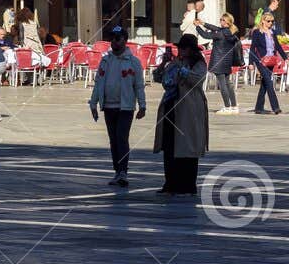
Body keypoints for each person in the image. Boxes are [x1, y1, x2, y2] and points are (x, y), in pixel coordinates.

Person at [88, 24, 146, 187]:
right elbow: (98, 82)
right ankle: (117, 170)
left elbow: (139, 85)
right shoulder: (105, 61)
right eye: (112, 38)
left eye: (118, 38)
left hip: (125, 106)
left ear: (125, 41)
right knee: (113, 140)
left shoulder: (133, 62)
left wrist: (142, 105)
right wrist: (93, 103)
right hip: (109, 106)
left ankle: (123, 172)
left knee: (122, 137)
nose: (114, 42)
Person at [154, 34, 210, 196]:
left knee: (188, 148)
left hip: (189, 109)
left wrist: (182, 69)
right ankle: (170, 183)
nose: (181, 51)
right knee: (170, 146)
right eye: (180, 48)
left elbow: (196, 81)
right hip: (171, 108)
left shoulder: (199, 64)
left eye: (184, 48)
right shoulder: (175, 63)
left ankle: (187, 185)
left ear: (191, 49)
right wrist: (165, 62)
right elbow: (159, 78)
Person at [197, 13, 241, 113]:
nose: (220, 21)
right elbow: (215, 28)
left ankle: (227, 107)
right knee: (228, 84)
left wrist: (197, 27)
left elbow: (205, 35)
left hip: (219, 62)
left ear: (226, 22)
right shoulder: (230, 32)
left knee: (222, 85)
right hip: (227, 62)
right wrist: (203, 23)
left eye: (222, 20)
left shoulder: (220, 33)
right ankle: (234, 106)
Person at [250, 13, 283, 114]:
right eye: (268, 21)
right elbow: (252, 48)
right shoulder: (257, 32)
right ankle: (275, 107)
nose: (270, 23)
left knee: (265, 83)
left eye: (272, 21)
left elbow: (278, 46)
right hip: (261, 61)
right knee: (269, 83)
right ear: (263, 21)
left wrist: (285, 58)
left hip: (271, 60)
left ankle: (259, 108)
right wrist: (251, 62)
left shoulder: (272, 32)